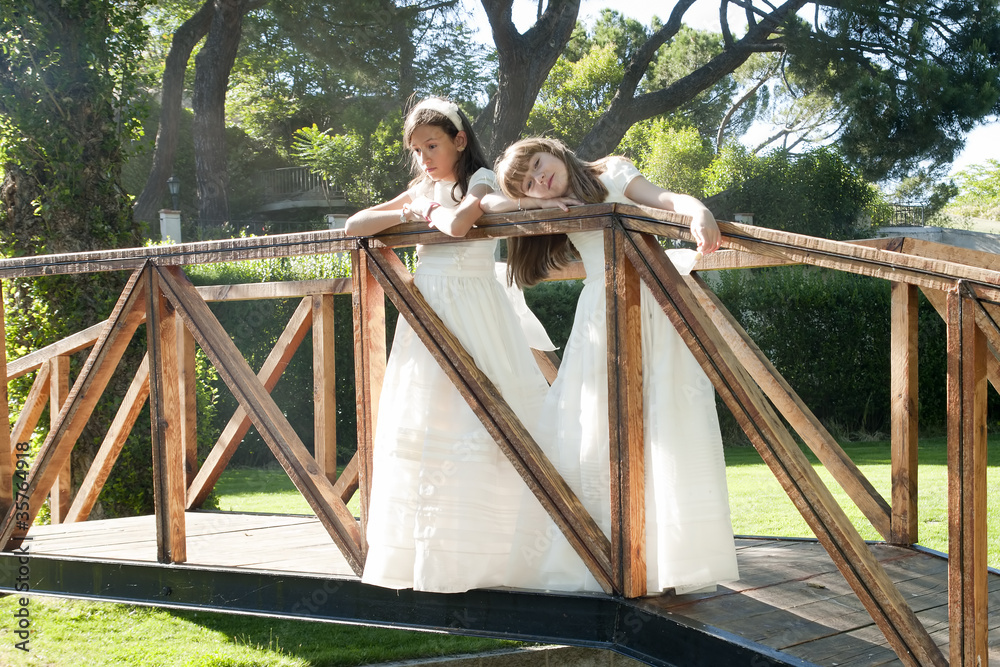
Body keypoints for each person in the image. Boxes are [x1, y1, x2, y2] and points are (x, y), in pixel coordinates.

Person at [485, 137, 739, 595]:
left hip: (656, 303)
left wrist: (698, 210)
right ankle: (601, 554)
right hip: (602, 310)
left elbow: (665, 199)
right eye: (528, 184)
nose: (540, 179)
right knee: (596, 427)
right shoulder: (552, 206)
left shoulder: (611, 174)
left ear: (554, 150)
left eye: (538, 164)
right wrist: (531, 203)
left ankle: (666, 560)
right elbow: (488, 206)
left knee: (666, 420)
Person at [345, 99, 553, 593]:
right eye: (417, 151)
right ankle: (434, 555)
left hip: (475, 307)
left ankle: (502, 551)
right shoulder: (422, 188)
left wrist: (424, 209)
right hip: (428, 310)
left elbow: (458, 225)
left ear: (459, 141)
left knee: (487, 418)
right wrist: (408, 206)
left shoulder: (481, 179)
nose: (424, 158)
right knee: (431, 422)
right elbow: (354, 225)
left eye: (432, 146)